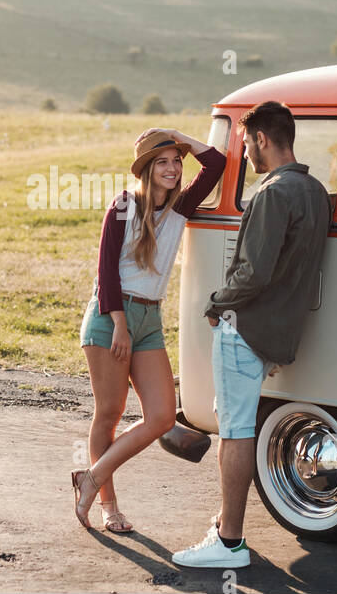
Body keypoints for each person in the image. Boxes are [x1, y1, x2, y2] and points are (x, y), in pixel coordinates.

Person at [172, 101, 329, 568]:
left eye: (247, 143)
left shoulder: (272, 193)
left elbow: (254, 272)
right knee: (238, 426)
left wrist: (216, 303)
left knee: (235, 433)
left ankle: (230, 543)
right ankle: (225, 528)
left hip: (245, 329)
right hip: (279, 332)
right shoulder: (316, 191)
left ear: (261, 138)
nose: (246, 153)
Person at [72, 127, 226, 532]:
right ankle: (108, 506)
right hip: (111, 317)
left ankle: (89, 477)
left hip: (150, 321)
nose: (173, 168)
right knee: (109, 413)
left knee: (160, 416)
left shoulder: (180, 208)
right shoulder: (123, 204)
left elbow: (216, 164)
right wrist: (120, 325)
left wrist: (176, 137)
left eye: (176, 161)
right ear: (146, 169)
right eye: (163, 162)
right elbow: (105, 272)